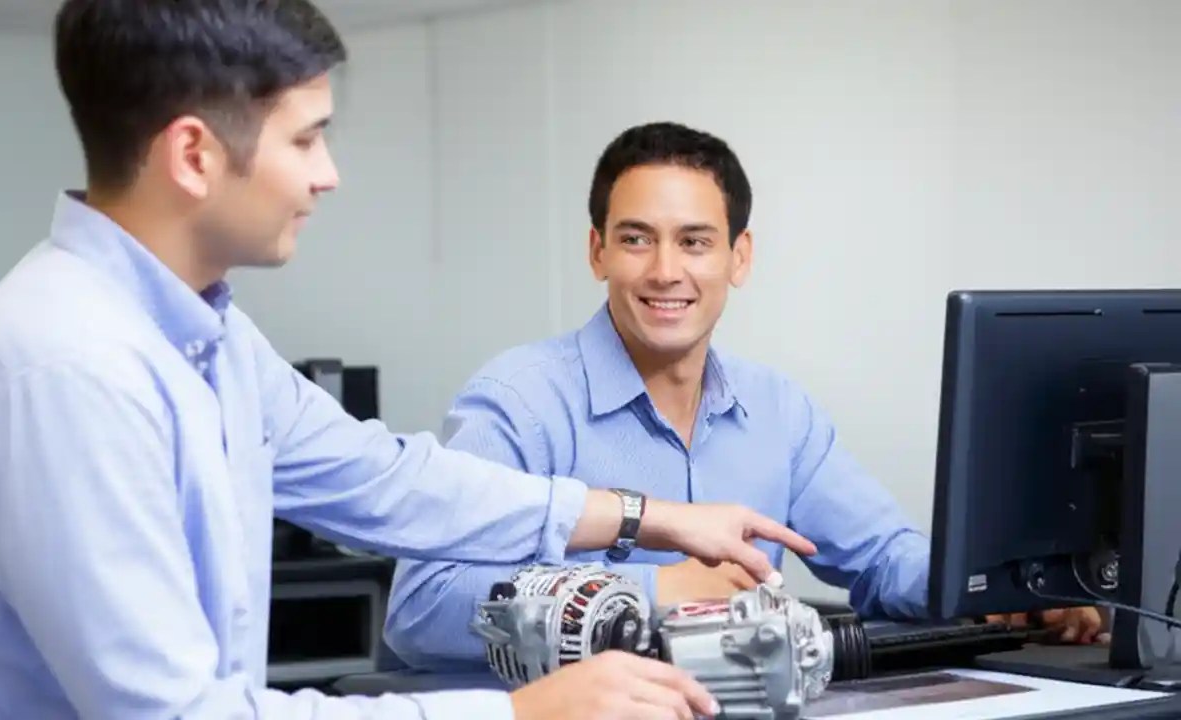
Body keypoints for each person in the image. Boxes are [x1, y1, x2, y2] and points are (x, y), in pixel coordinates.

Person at [0, 6, 821, 720]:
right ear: (193, 153)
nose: (327, 174)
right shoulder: (68, 369)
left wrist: (652, 518)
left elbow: (388, 482)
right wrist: (513, 710)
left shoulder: (207, 337)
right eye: (305, 137)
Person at [383, 121, 1106, 669]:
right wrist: (655, 592)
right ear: (597, 250)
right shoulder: (521, 400)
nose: (666, 271)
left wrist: (1010, 594)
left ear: (739, 257)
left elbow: (885, 556)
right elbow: (419, 609)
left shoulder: (777, 410)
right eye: (637, 239)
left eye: (695, 242)